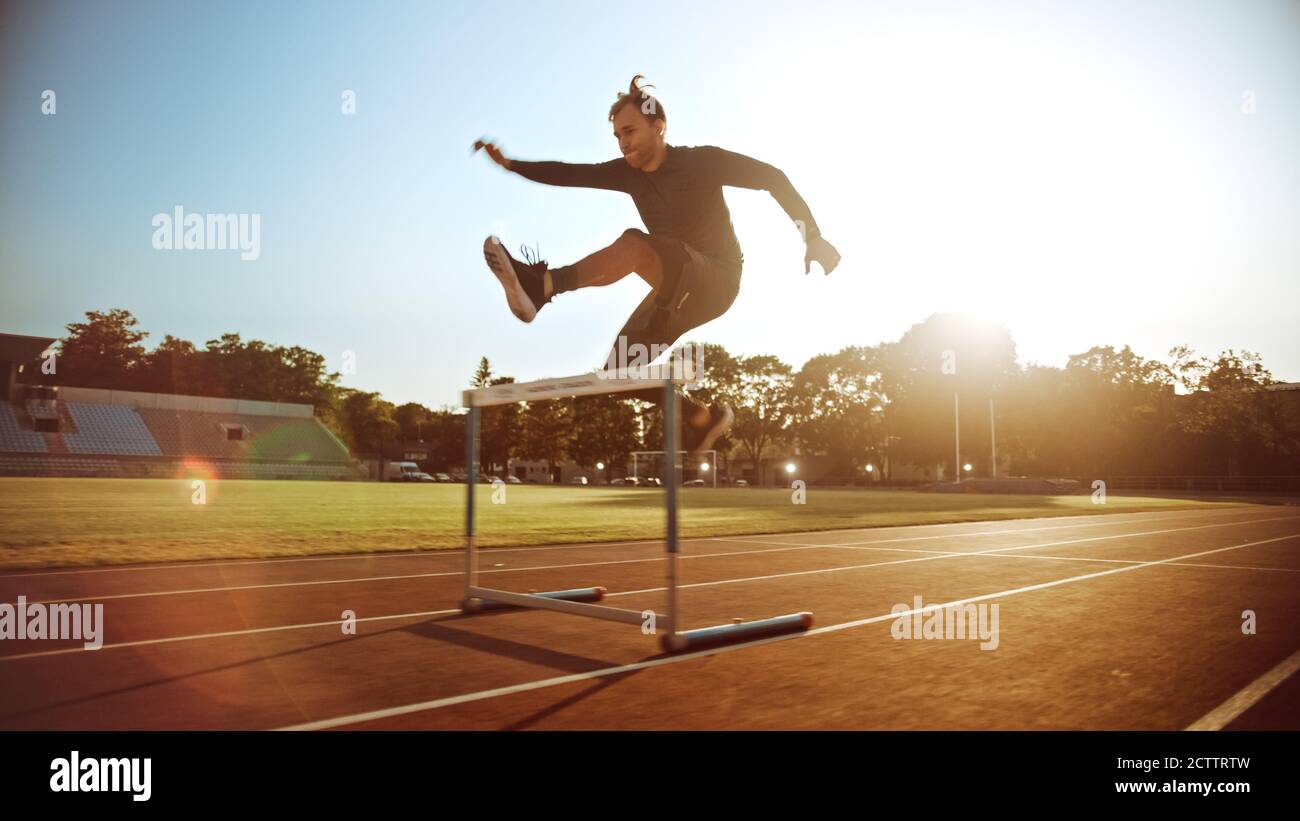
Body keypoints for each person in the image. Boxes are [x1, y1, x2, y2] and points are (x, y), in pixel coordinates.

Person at [474, 74, 841, 454]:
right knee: (617, 375)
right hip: (673, 289)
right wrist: (511, 165)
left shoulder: (701, 162)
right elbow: (570, 173)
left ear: (658, 126)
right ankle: (701, 418)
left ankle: (546, 284)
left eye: (630, 131)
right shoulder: (626, 173)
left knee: (635, 244)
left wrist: (811, 235)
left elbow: (772, 178)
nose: (624, 143)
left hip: (716, 277)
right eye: (617, 136)